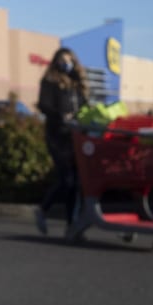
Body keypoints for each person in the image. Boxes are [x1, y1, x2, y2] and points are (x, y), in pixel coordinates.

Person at [34, 47, 89, 237]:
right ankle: (43, 210)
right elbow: (43, 105)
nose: (66, 63)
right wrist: (60, 116)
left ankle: (71, 225)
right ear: (56, 61)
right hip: (57, 135)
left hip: (75, 135)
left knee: (74, 182)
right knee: (67, 180)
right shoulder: (50, 81)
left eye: (69, 60)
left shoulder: (76, 84)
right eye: (63, 60)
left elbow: (84, 105)